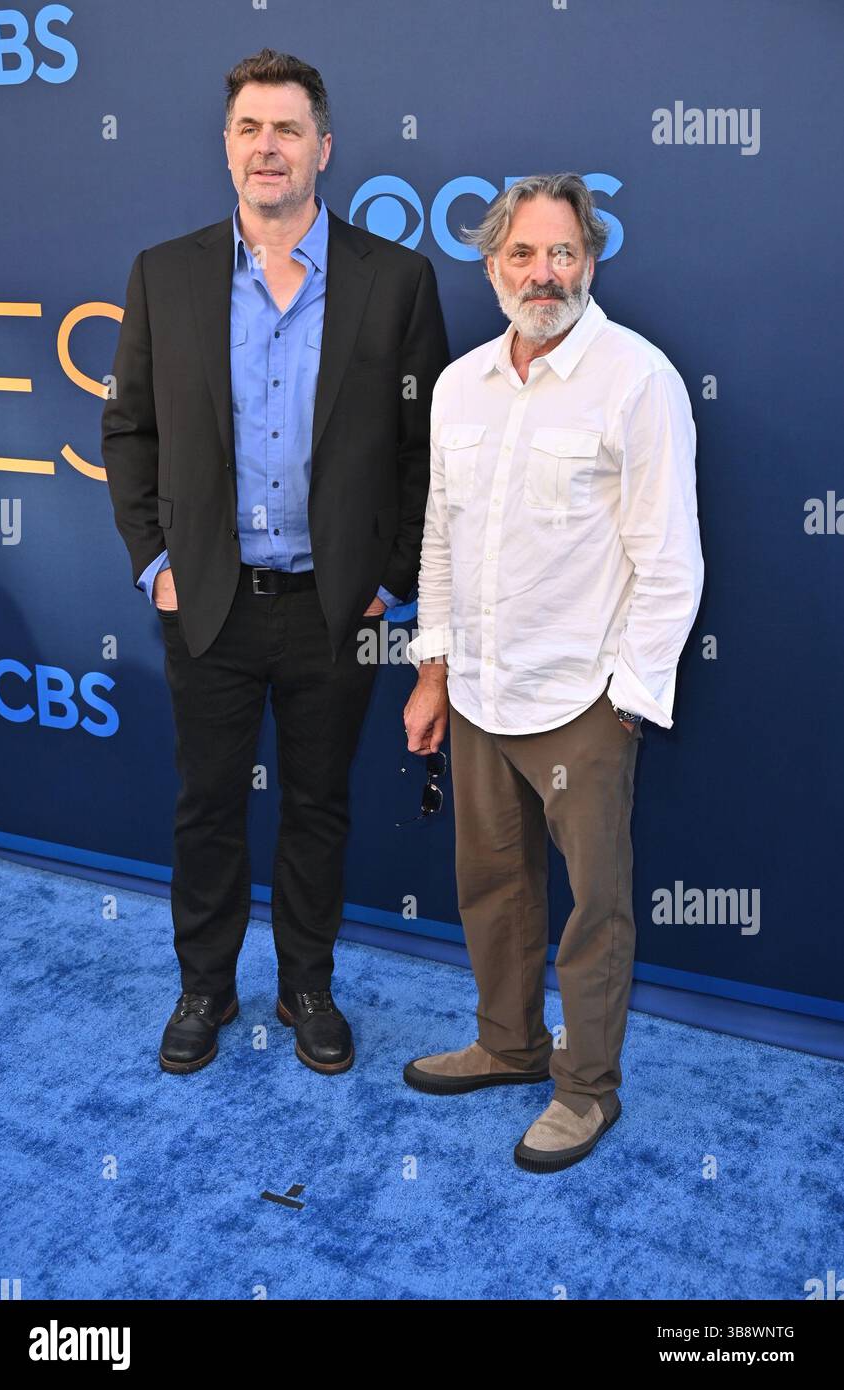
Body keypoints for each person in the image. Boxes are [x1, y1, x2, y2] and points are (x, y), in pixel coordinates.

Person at [101, 48, 448, 1077]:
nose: (267, 147)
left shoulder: (398, 282)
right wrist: (154, 564)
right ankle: (204, 987)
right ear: (226, 147)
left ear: (323, 149)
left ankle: (307, 986)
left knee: (318, 803)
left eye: (287, 129)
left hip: (337, 607)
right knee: (206, 801)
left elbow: (426, 449)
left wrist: (392, 580)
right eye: (249, 129)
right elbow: (130, 433)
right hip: (205, 598)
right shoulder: (163, 274)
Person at [402, 173, 703, 1172]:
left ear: (590, 260)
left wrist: (629, 696)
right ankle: (508, 1044)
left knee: (592, 911)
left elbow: (669, 560)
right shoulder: (458, 387)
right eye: (522, 254)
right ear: (491, 266)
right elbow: (439, 542)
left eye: (561, 253)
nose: (543, 273)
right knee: (490, 884)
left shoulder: (638, 380)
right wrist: (434, 672)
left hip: (583, 700)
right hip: (481, 691)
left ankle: (586, 1091)